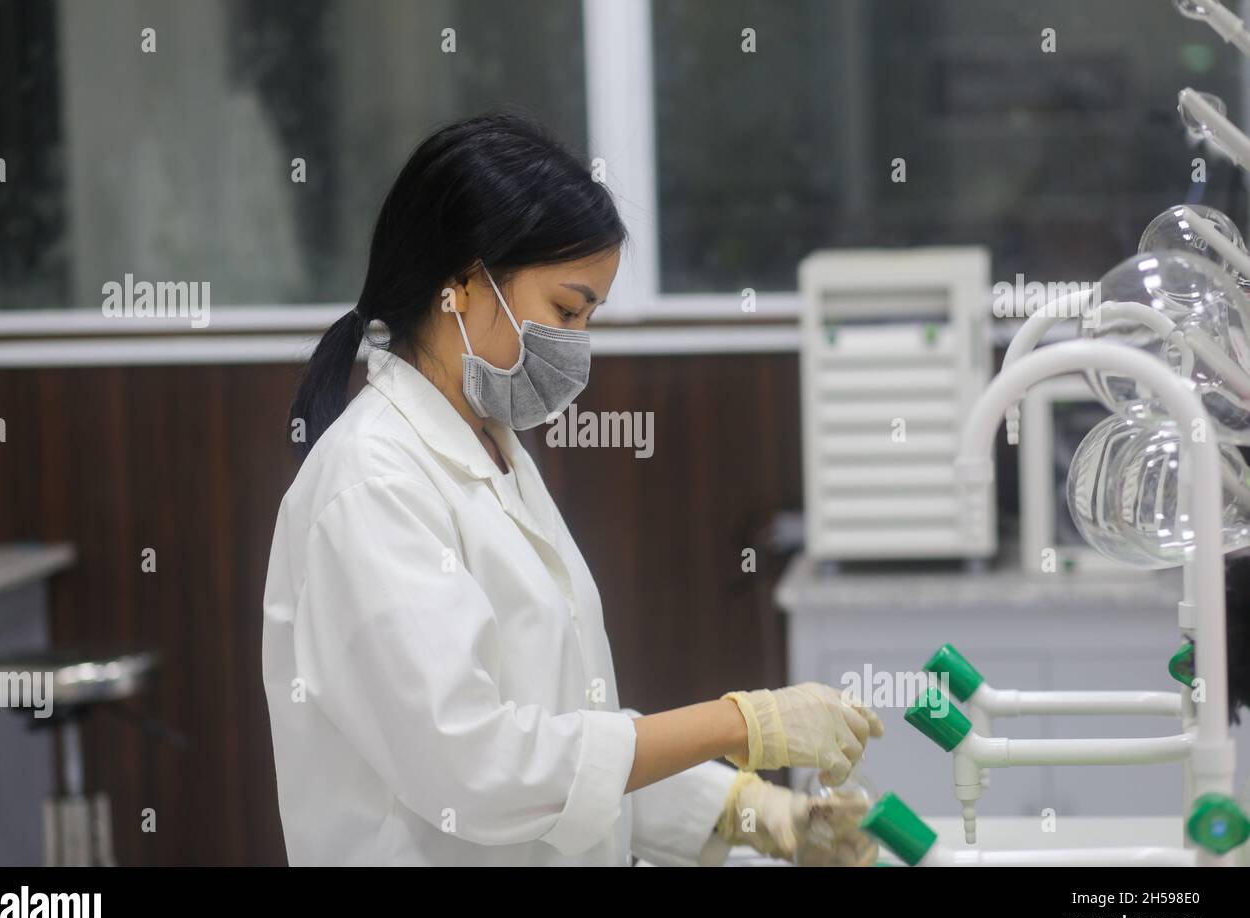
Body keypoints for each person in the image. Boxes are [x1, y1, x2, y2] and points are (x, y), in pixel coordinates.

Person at [260, 109, 882, 866]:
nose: (577, 345)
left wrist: (737, 809)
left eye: (589, 316)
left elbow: (560, 738)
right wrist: (738, 725)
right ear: (462, 283)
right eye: (565, 309)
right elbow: (481, 767)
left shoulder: (493, 453)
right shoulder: (371, 485)